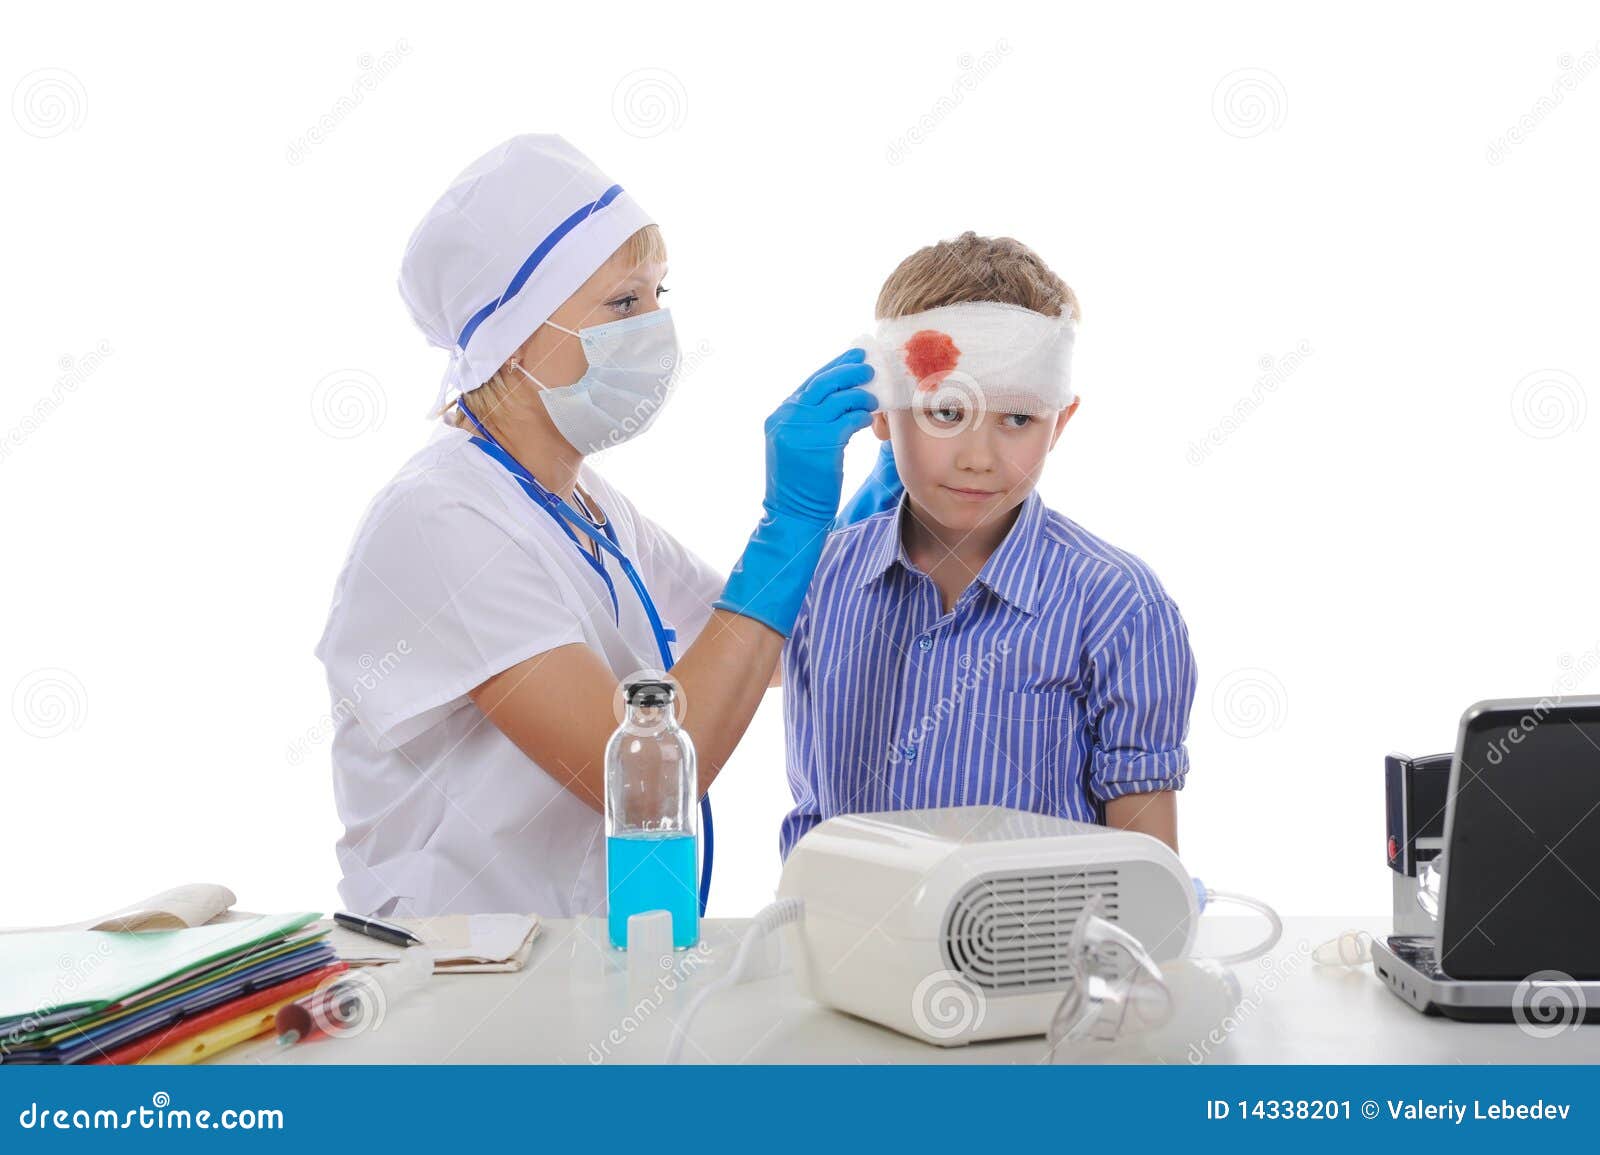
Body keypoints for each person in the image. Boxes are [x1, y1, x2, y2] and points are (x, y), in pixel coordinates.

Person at [316, 134, 877, 918]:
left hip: (560, 969)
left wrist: (871, 518)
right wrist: (789, 520)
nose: (654, 329)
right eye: (622, 302)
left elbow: (765, 647)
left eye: (659, 296)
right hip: (450, 982)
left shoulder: (587, 505)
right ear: (511, 339)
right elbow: (642, 777)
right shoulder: (442, 518)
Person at [780, 231, 1198, 860]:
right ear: (883, 413)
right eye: (945, 412)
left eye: (1018, 419)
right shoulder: (818, 581)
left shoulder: (1119, 606)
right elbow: (801, 808)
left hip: (1042, 958)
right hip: (841, 949)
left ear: (1060, 423)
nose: (979, 458)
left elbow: (1146, 881)